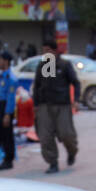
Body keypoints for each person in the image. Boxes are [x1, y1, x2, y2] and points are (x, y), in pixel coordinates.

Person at [31, 40, 79, 174]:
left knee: (66, 134)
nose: (45, 53)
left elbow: (75, 83)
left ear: (54, 51)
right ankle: (53, 162)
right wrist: (36, 104)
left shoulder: (64, 65)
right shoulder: (44, 65)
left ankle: (72, 151)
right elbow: (38, 86)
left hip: (62, 105)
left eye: (48, 51)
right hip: (45, 105)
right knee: (45, 137)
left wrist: (76, 100)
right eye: (44, 51)